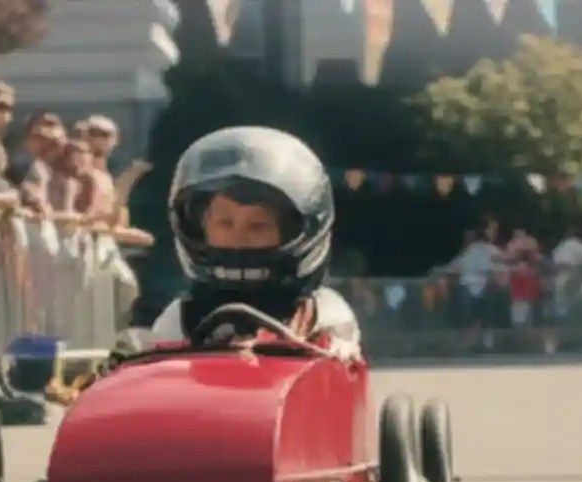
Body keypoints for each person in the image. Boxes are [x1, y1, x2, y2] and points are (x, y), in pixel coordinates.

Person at [47, 126, 359, 404]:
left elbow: (343, 377)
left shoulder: (322, 312)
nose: (238, 240)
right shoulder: (180, 318)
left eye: (258, 226)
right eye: (225, 223)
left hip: (297, 445)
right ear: (198, 226)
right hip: (201, 445)